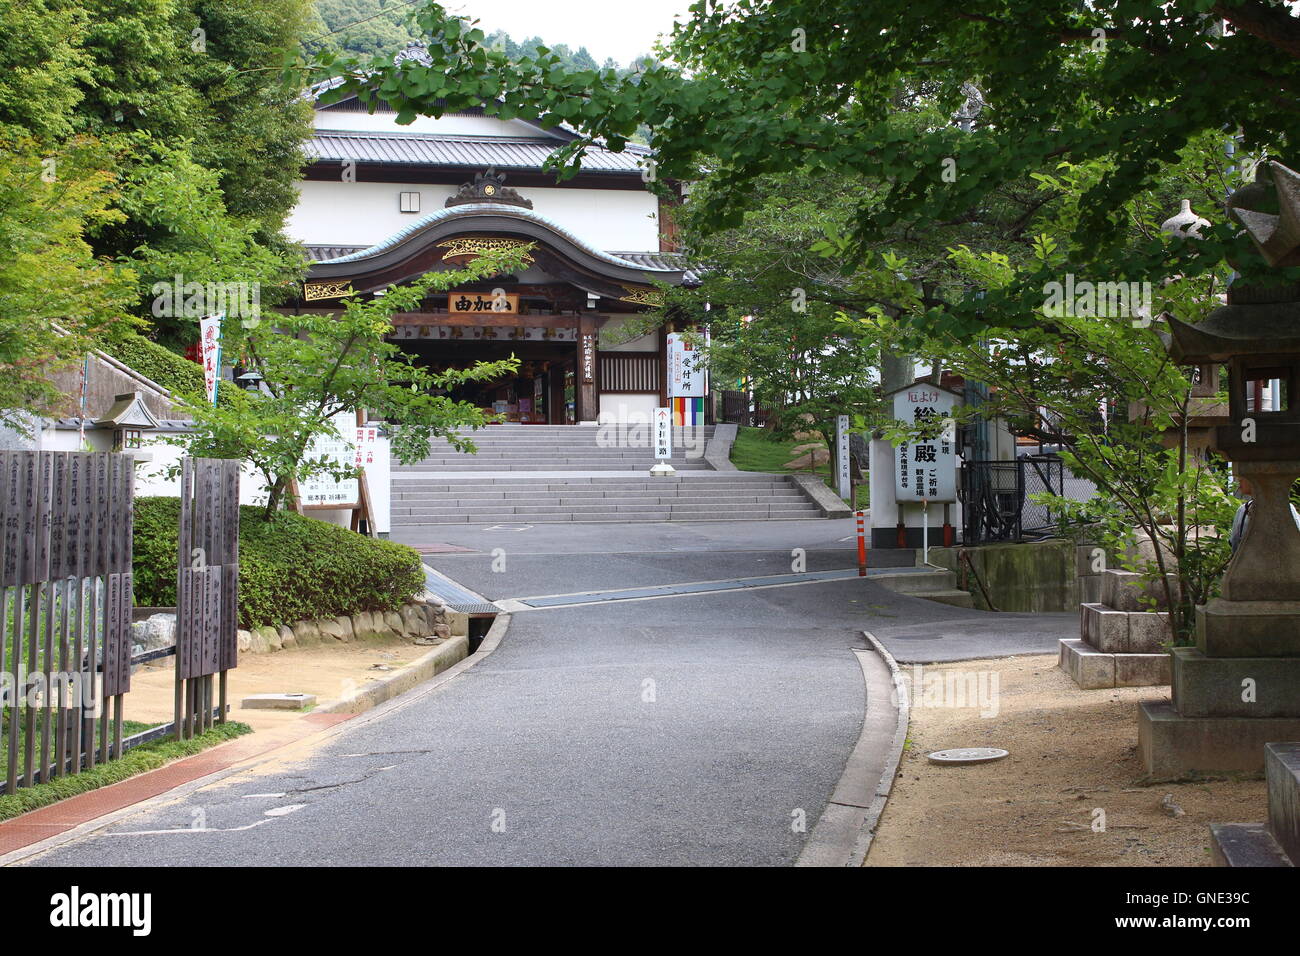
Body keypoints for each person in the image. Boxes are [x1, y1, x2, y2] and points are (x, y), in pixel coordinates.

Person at [1229, 477, 1300, 552]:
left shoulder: (1287, 508)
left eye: (1244, 476)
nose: (1239, 479)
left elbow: (1235, 545)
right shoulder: (1243, 510)